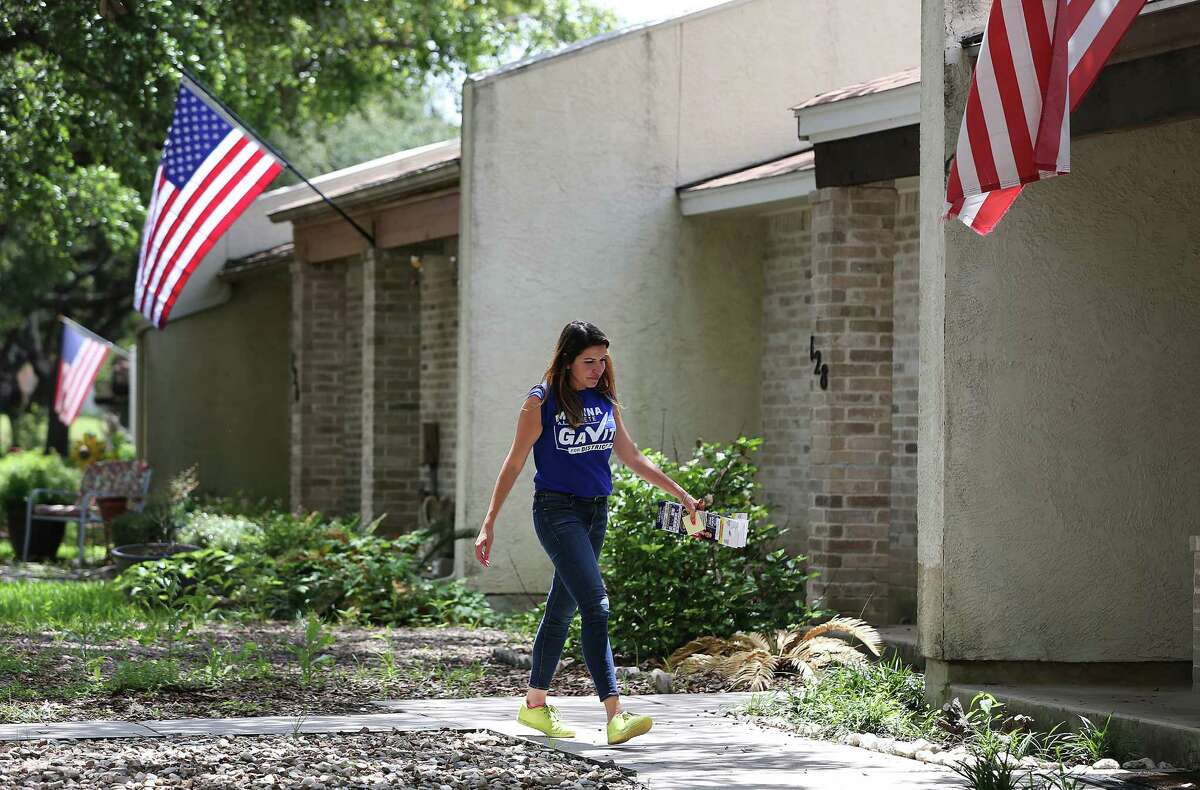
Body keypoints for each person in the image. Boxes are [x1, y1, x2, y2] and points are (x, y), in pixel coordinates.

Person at [474, 320, 700, 745]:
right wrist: (489, 521)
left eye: (601, 360)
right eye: (588, 361)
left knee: (562, 608)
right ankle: (615, 713)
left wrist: (683, 495)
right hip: (557, 513)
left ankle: (534, 706)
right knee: (596, 605)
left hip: (596, 514)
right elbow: (515, 461)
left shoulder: (603, 400)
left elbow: (632, 457)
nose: (597, 368)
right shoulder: (541, 401)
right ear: (567, 361)